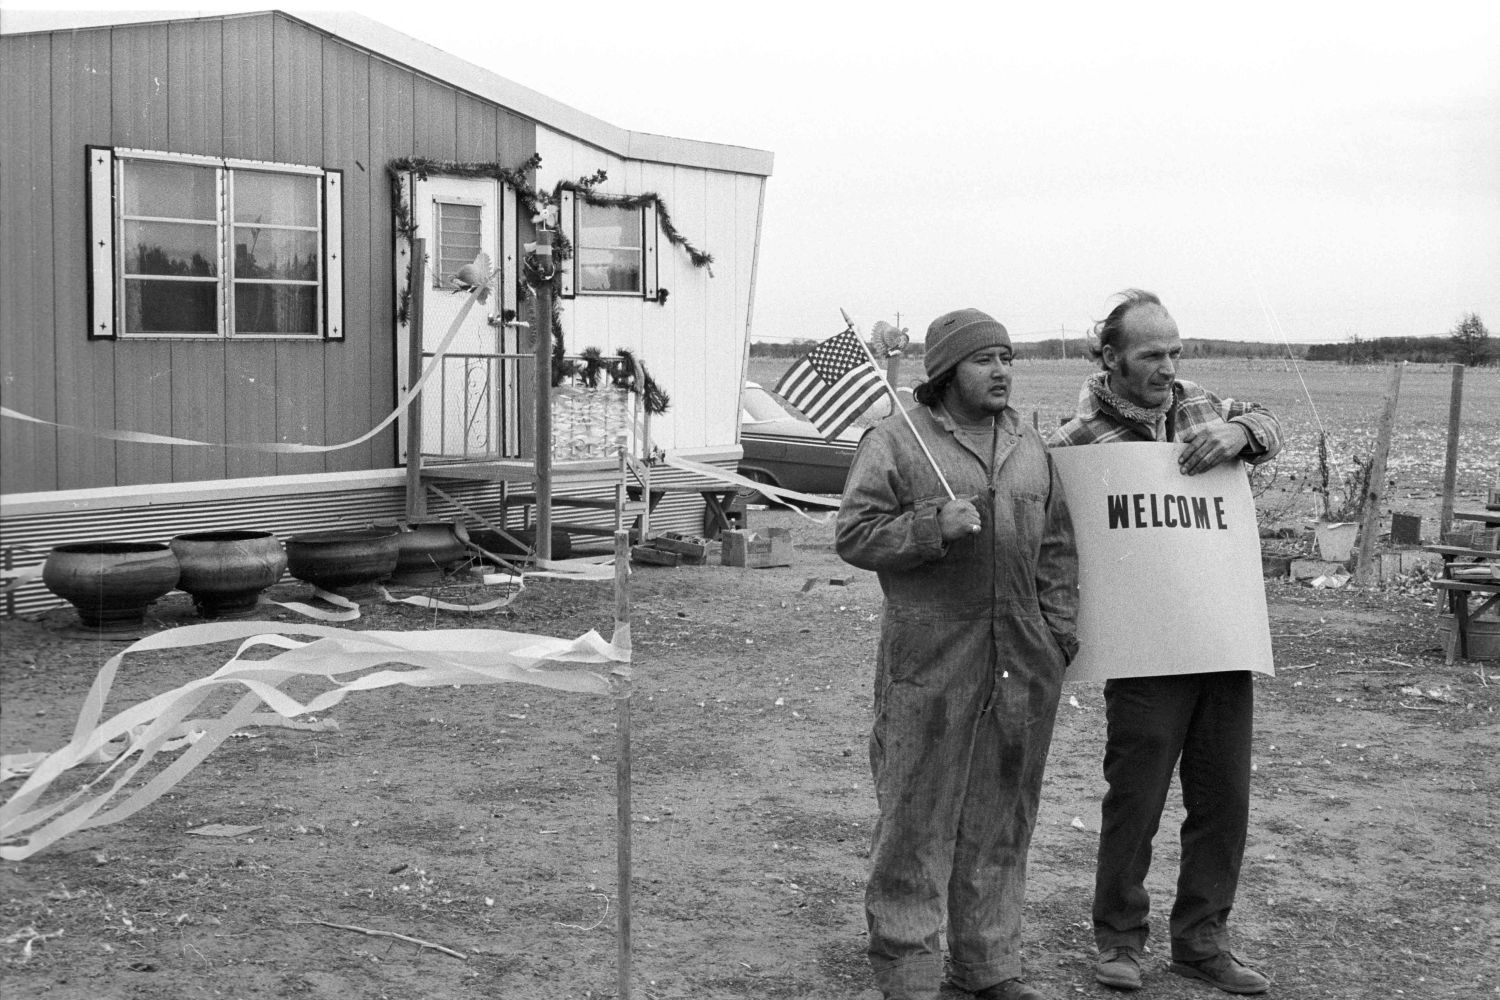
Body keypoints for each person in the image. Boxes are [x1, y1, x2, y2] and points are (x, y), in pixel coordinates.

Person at [837, 308, 1079, 1000]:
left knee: (1003, 816)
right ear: (945, 372)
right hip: (931, 656)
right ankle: (910, 972)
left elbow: (1057, 548)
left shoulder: (1030, 445)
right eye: (984, 359)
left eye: (1007, 357)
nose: (1001, 370)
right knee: (916, 817)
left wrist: (1058, 635)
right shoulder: (897, 442)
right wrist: (929, 527)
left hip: (1024, 659)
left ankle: (988, 966)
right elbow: (854, 535)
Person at [1048, 289, 1283, 995]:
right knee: (1137, 797)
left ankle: (1202, 941)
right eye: (1152, 354)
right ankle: (1119, 939)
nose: (1168, 366)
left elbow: (1270, 423)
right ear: (1111, 357)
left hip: (1220, 636)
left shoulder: (1205, 407)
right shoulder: (1078, 444)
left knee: (1224, 798)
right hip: (1143, 652)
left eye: (1176, 351)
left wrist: (1243, 435)